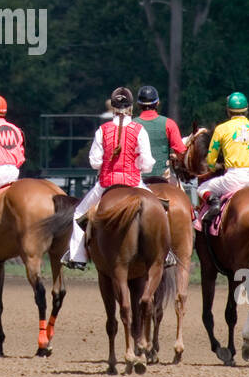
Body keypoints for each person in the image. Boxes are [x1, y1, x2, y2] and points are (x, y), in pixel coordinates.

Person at [62, 87, 154, 270]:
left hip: (106, 183)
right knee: (160, 209)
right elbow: (148, 163)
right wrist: (137, 165)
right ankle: (165, 252)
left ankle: (78, 257)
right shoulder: (140, 130)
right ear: (130, 108)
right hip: (134, 182)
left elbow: (94, 162)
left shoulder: (102, 130)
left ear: (113, 107)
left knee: (79, 214)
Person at [194, 91, 249, 231]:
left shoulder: (221, 129)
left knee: (201, 188)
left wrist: (217, 166)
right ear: (247, 109)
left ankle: (214, 204)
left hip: (234, 178)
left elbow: (211, 160)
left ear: (228, 111)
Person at [134, 85, 186, 182]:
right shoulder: (169, 124)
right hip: (163, 176)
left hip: (137, 178)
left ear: (139, 105)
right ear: (157, 103)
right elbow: (181, 152)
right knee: (181, 193)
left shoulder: (131, 125)